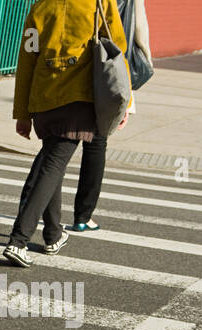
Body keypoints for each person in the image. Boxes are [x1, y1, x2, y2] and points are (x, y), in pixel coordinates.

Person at [2, 0, 129, 267]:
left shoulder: (39, 7)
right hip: (79, 96)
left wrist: (22, 112)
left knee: (52, 163)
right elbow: (117, 48)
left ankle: (52, 234)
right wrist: (124, 102)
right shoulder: (98, 2)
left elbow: (27, 59)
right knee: (52, 164)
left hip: (44, 97)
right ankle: (18, 239)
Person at [70, 0, 150, 232]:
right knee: (97, 142)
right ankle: (83, 216)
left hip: (70, 73)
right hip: (106, 73)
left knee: (57, 147)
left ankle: (33, 206)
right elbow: (137, 38)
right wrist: (128, 99)